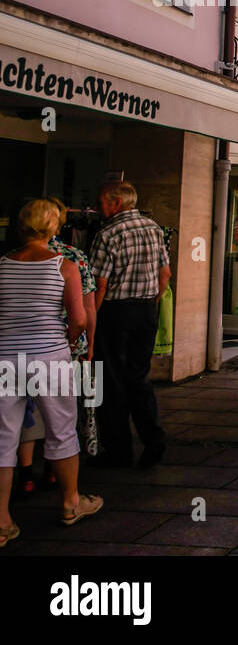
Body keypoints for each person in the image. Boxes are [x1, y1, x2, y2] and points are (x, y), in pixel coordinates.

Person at [0, 199, 103, 547]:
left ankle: (2, 521)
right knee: (61, 430)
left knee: (3, 438)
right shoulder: (65, 265)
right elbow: (79, 318)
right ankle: (71, 503)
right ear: (53, 227)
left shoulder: (2, 264)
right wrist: (66, 340)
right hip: (50, 357)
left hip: (7, 358)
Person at [16, 200, 99, 498]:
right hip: (56, 349)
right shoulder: (70, 259)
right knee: (61, 422)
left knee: (18, 419)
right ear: (56, 225)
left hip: (11, 353)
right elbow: (85, 310)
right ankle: (65, 492)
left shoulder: (6, 261)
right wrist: (84, 341)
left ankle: (23, 476)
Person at [87, 181, 170, 469]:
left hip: (114, 311)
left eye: (100, 202)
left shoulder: (107, 233)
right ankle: (153, 440)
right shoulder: (153, 227)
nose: (97, 208)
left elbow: (99, 284)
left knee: (110, 380)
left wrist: (91, 322)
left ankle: (119, 450)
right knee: (139, 377)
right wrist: (151, 301)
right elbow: (165, 273)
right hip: (145, 310)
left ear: (116, 203)